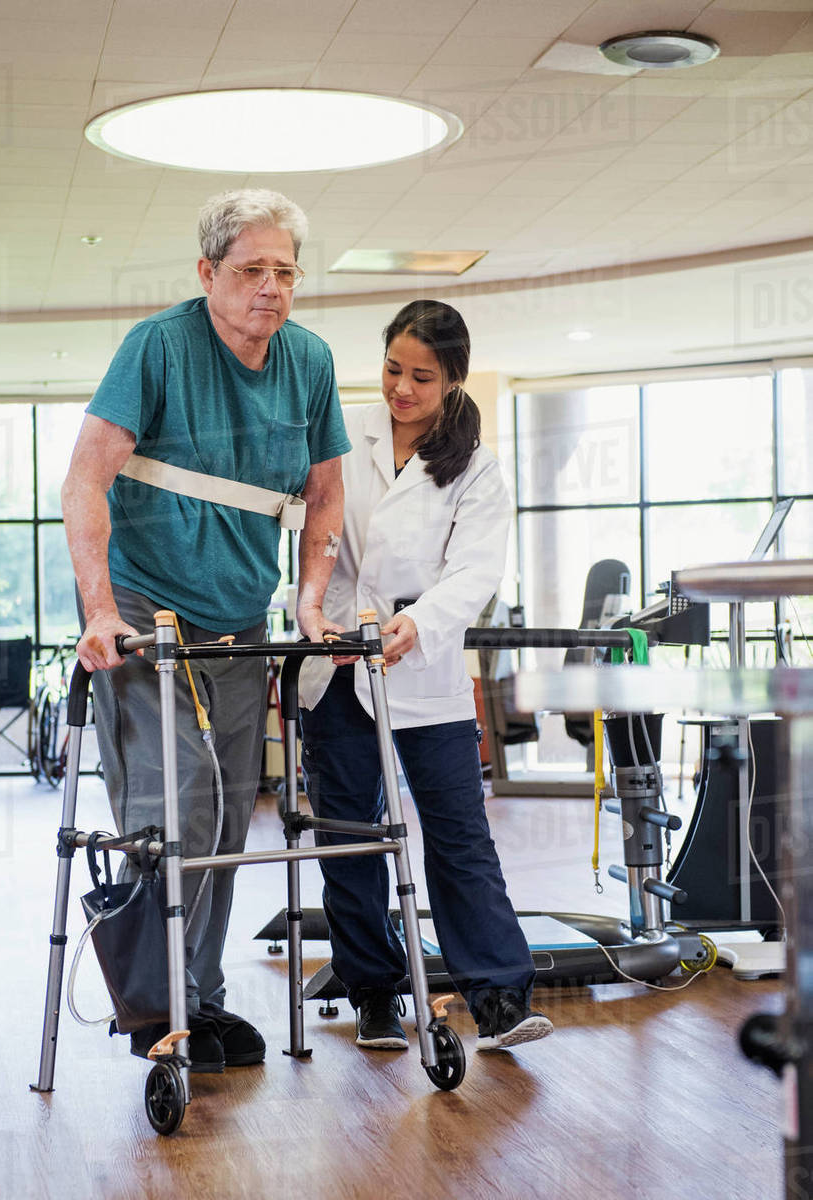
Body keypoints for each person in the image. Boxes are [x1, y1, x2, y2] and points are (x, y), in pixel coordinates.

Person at [61, 188, 351, 1072]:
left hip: (237, 625)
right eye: (252, 270)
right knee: (172, 808)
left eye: (285, 272)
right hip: (145, 620)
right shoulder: (158, 347)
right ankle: (158, 1010)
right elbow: (84, 482)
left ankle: (204, 997)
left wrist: (309, 600)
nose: (270, 287)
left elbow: (326, 492)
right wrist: (100, 610)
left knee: (227, 818)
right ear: (208, 273)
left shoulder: (308, 360)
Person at [298, 300, 552, 1053]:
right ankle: (374, 994)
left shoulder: (476, 465)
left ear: (453, 381)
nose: (400, 389)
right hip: (340, 661)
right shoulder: (342, 435)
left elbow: (474, 571)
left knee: (457, 836)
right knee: (350, 837)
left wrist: (422, 623)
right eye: (392, 370)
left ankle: (499, 999)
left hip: (425, 667)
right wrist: (318, 613)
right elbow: (316, 534)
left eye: (421, 377)